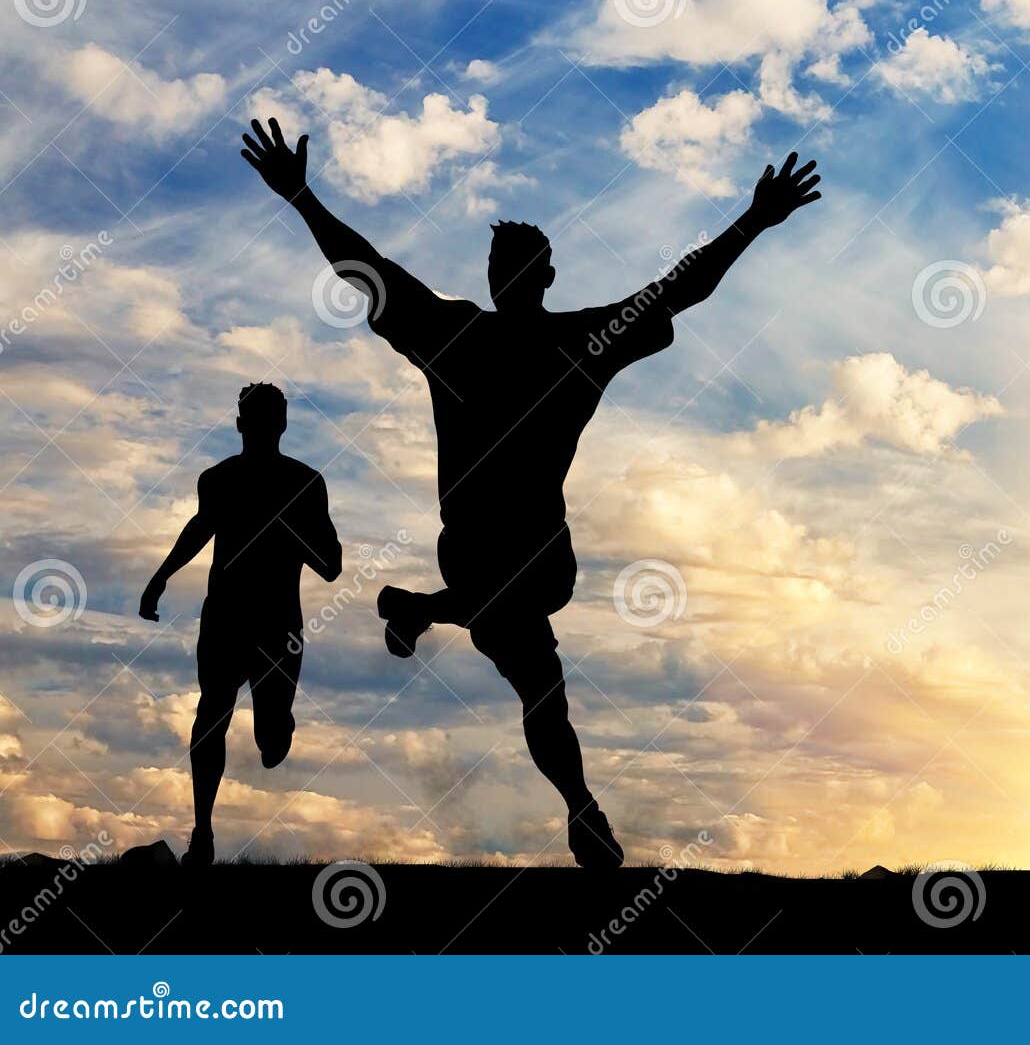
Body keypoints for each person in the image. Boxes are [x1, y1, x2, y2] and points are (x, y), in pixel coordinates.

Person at [239, 116, 821, 867]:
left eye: (513, 264)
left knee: (540, 675)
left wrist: (754, 221)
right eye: (498, 263)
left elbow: (679, 290)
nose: (503, 275)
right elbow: (368, 268)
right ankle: (578, 803)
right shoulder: (504, 338)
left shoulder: (537, 340)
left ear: (543, 277)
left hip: (525, 553)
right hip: (488, 553)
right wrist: (301, 199)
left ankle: (428, 615)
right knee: (542, 691)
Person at [140, 382, 342, 867]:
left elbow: (331, 566)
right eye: (257, 420)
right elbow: (199, 528)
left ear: (273, 425)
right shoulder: (219, 479)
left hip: (278, 625)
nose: (260, 428)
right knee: (211, 714)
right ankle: (202, 834)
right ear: (245, 425)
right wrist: (161, 577)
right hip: (225, 619)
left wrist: (288, 526)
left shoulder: (305, 483)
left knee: (270, 744)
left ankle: (278, 725)